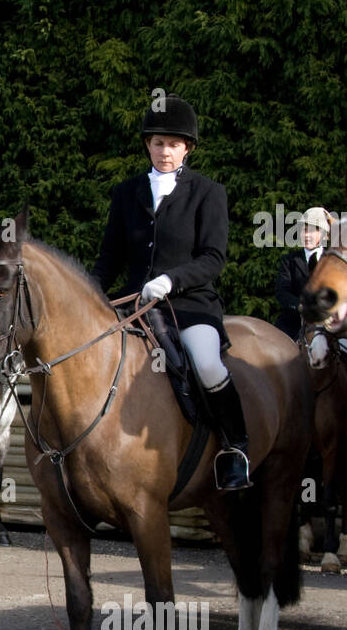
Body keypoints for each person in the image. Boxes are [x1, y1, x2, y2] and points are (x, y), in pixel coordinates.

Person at [94, 94, 250, 490]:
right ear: (148, 144)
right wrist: (93, 296)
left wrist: (171, 280)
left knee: (208, 363)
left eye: (175, 144)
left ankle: (235, 448)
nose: (166, 151)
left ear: (188, 149)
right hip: (132, 305)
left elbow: (213, 257)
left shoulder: (208, 192)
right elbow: (109, 257)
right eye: (159, 142)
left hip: (189, 305)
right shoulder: (126, 192)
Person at [274, 206, 332, 340]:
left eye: (311, 231)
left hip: (326, 324)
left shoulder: (331, 261)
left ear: (323, 234)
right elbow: (282, 292)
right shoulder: (289, 260)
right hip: (293, 324)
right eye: (303, 231)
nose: (306, 235)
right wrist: (301, 306)